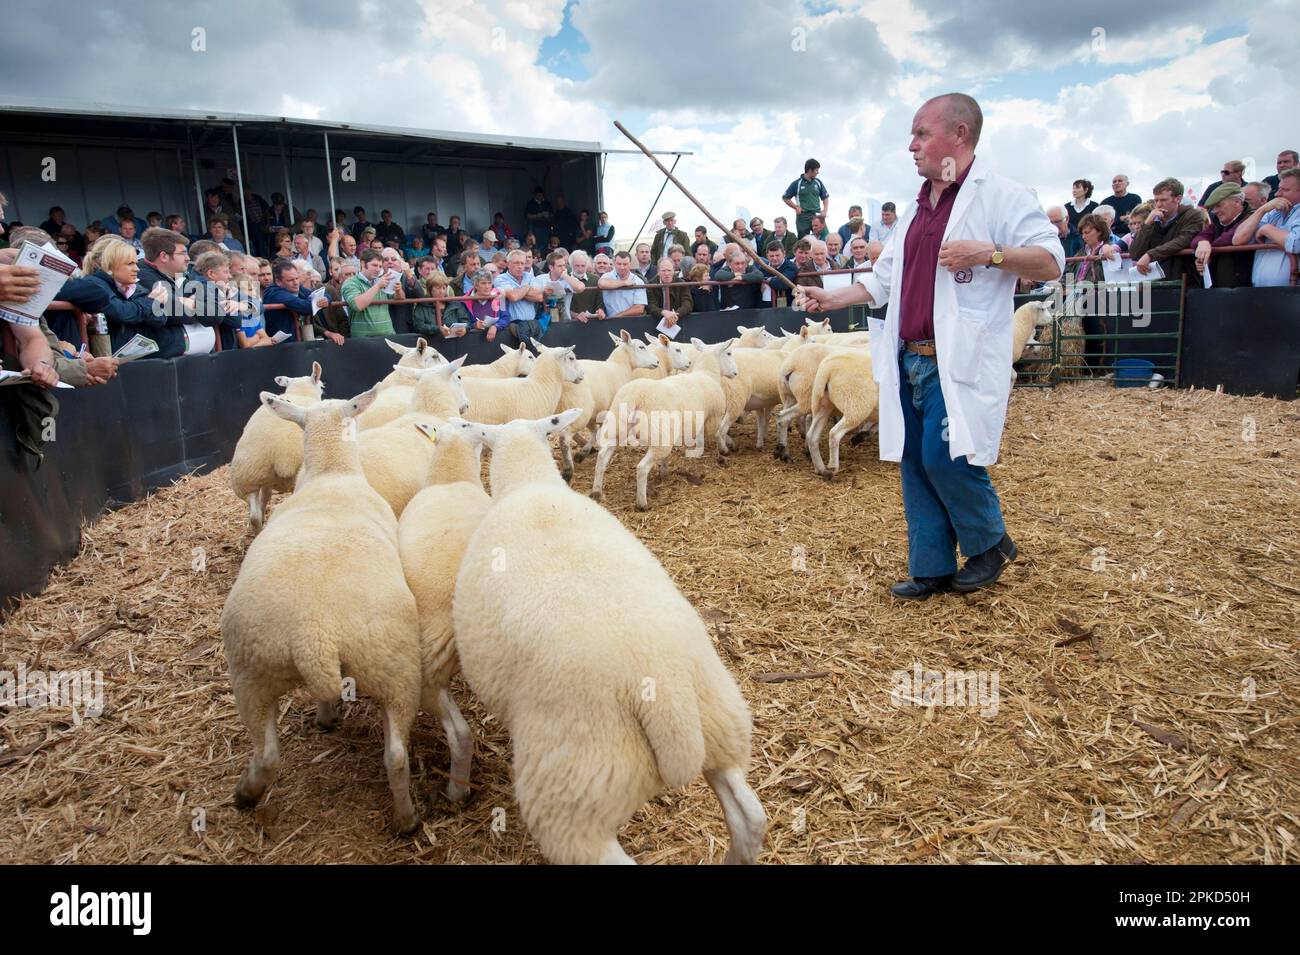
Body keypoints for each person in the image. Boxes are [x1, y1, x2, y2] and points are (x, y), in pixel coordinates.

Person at [801, 92, 1062, 600]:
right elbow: (880, 283)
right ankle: (932, 567)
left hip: (954, 358)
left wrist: (991, 253)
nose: (911, 145)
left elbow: (1051, 260)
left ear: (958, 136)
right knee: (916, 463)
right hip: (908, 357)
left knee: (947, 457)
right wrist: (829, 298)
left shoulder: (1000, 196)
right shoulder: (917, 211)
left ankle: (989, 543)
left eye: (921, 133)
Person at [1128, 177, 1207, 282]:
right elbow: (1135, 252)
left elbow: (1184, 240)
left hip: (1183, 280)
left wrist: (1150, 255)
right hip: (1154, 282)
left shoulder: (1193, 215)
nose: (1159, 204)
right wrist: (1147, 224)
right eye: (1156, 200)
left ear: (1178, 199)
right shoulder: (1153, 219)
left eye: (1163, 200)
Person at [1232, 167, 1300, 287]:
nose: (1278, 194)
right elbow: (1238, 239)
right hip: (1262, 293)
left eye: (1285, 190)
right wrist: (1261, 210)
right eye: (1279, 188)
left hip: (1292, 296)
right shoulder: (1273, 212)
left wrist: (1267, 229)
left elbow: (1296, 243)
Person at [262, 260, 345, 344]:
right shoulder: (274, 293)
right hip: (278, 346)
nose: (296, 283)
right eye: (290, 280)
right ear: (278, 281)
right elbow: (306, 307)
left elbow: (323, 293)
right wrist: (316, 300)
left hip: (292, 343)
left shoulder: (294, 286)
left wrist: (326, 299)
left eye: (297, 278)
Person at [1191, 183, 1252, 288]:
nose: (1215, 211)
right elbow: (1199, 237)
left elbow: (1229, 238)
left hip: (1242, 287)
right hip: (1221, 285)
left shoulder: (1250, 217)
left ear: (1237, 202)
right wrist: (1202, 243)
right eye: (1213, 207)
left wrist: (1208, 249)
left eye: (1218, 205)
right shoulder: (1217, 221)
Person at [341, 249, 400, 338]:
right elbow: (357, 305)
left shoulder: (382, 280)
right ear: (363, 264)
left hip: (388, 335)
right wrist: (378, 286)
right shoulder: (350, 283)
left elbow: (399, 299)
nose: (378, 269)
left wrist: (399, 290)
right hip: (363, 339)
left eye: (380, 266)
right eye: (374, 265)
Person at [493, 249, 544, 345]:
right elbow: (513, 297)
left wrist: (518, 292)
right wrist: (527, 287)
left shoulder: (529, 277)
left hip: (532, 325)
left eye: (522, 263)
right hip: (511, 329)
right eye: (516, 263)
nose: (520, 266)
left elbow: (539, 297)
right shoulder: (500, 278)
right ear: (508, 264)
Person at [783, 158, 829, 239]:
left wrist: (825, 210)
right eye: (816, 170)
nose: (818, 172)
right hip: (803, 216)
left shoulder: (818, 182)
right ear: (810, 170)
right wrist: (796, 207)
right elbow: (785, 197)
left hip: (817, 214)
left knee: (825, 237)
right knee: (804, 241)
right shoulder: (797, 183)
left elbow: (825, 197)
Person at [646, 257, 693, 329]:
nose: (666, 273)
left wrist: (675, 315)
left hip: (678, 321)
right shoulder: (651, 284)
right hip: (656, 322)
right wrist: (663, 312)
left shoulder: (681, 283)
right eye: (663, 271)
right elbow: (650, 306)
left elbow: (687, 303)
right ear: (658, 272)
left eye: (669, 270)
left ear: (674, 271)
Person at [598, 251, 648, 318]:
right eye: (619, 264)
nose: (622, 267)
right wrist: (624, 283)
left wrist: (617, 317)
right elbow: (601, 284)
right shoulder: (607, 276)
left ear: (630, 264)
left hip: (630, 321)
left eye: (625, 264)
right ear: (614, 263)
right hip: (609, 322)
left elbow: (639, 308)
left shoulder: (638, 281)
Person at [568, 250, 605, 322]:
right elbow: (562, 305)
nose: (580, 269)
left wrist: (600, 310)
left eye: (583, 266)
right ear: (571, 265)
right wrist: (575, 315)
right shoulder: (566, 279)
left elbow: (600, 301)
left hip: (593, 322)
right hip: (571, 322)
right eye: (577, 266)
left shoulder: (595, 279)